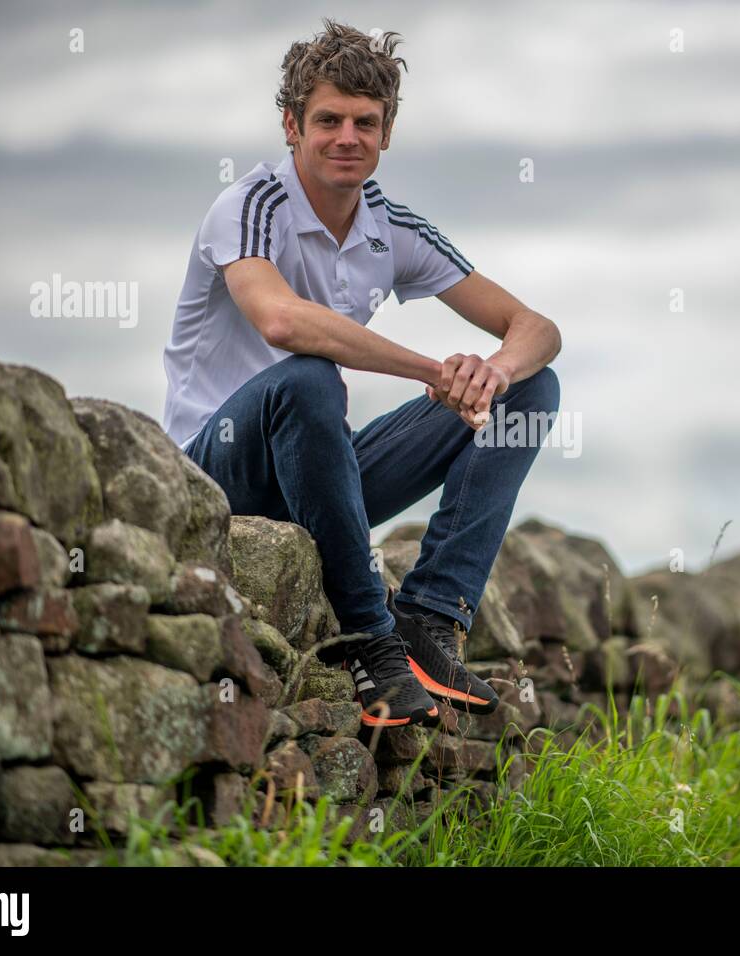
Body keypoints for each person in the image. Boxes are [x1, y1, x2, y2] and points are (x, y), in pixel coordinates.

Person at [161, 19, 562, 728]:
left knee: (529, 390)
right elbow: (282, 322)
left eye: (365, 122)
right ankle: (368, 641)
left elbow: (537, 330)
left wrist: (490, 373)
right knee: (310, 378)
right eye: (328, 120)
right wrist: (434, 370)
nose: (347, 137)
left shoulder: (391, 227)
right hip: (220, 474)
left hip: (320, 475)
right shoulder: (249, 206)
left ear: (387, 131)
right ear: (291, 125)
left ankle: (430, 621)